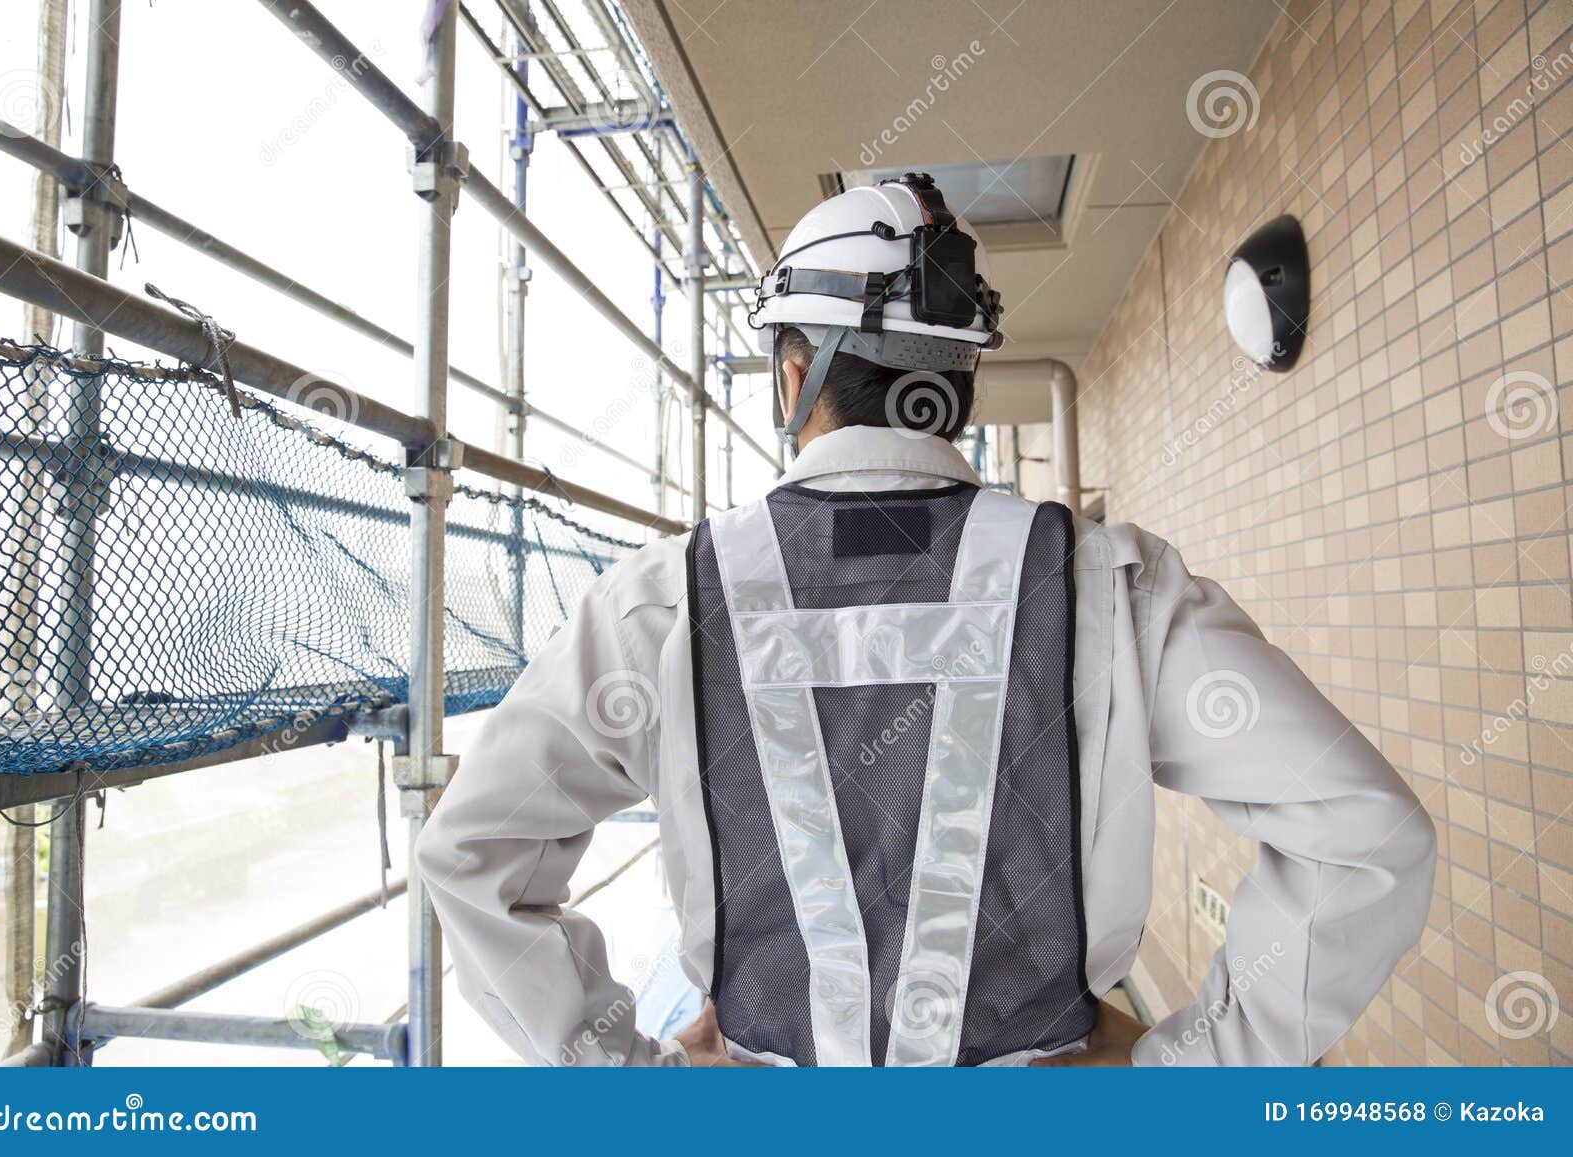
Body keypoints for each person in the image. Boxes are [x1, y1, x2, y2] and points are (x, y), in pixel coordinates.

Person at [416, 173, 1435, 1067]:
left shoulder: (658, 601)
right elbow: (1363, 836)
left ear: (791, 374)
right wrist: (1193, 1073)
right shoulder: (1110, 586)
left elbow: (472, 854)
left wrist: (634, 1082)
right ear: (955, 379)